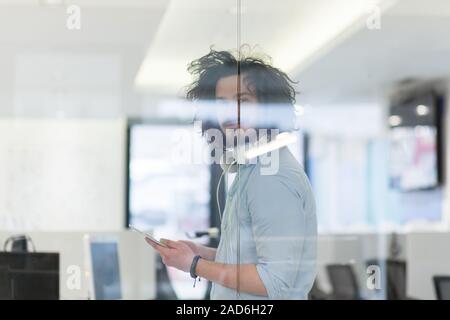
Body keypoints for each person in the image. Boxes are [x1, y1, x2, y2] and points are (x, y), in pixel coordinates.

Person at [146, 48, 317, 300]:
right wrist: (202, 253)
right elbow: (254, 260)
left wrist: (193, 265)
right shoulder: (252, 169)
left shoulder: (271, 177)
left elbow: (274, 283)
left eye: (243, 102)